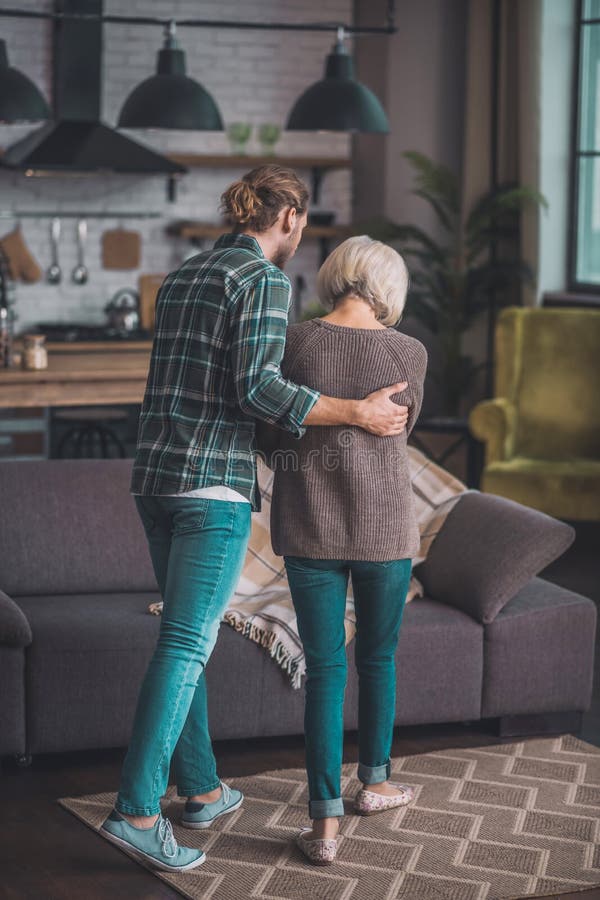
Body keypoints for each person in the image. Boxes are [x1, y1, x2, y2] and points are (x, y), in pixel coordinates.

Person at [99, 167, 413, 873]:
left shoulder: (182, 275)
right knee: (184, 648)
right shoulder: (265, 281)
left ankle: (203, 789)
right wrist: (356, 411)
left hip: (155, 478)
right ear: (291, 218)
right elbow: (257, 388)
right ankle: (138, 811)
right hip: (212, 485)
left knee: (188, 641)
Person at [256, 235, 428, 865]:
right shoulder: (408, 351)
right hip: (386, 535)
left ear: (336, 275)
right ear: (389, 286)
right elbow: (400, 430)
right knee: (378, 659)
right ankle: (375, 783)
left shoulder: (293, 343)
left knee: (325, 671)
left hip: (309, 531)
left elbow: (269, 431)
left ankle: (324, 828)